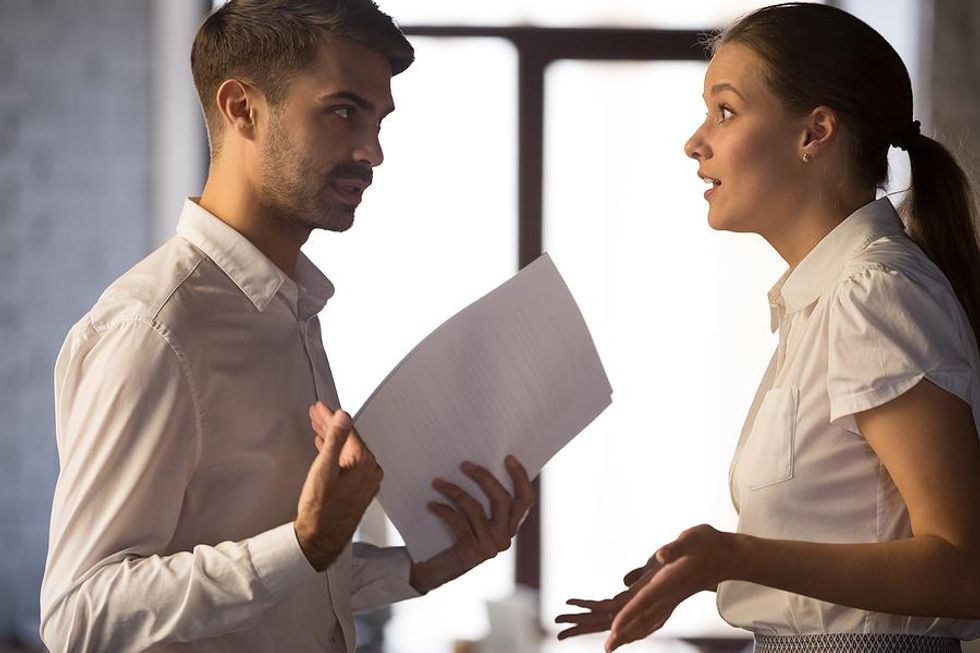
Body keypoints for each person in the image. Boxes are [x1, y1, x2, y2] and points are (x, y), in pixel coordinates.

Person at [39, 1, 534, 651]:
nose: (373, 150)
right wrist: (301, 542)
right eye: (343, 111)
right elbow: (79, 615)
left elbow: (283, 574)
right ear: (242, 107)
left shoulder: (286, 313)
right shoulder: (155, 330)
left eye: (378, 119)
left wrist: (418, 567)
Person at [556, 3, 980, 652]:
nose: (695, 142)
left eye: (725, 111)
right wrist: (705, 568)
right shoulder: (825, 299)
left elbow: (963, 568)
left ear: (815, 132)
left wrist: (735, 556)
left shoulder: (874, 292)